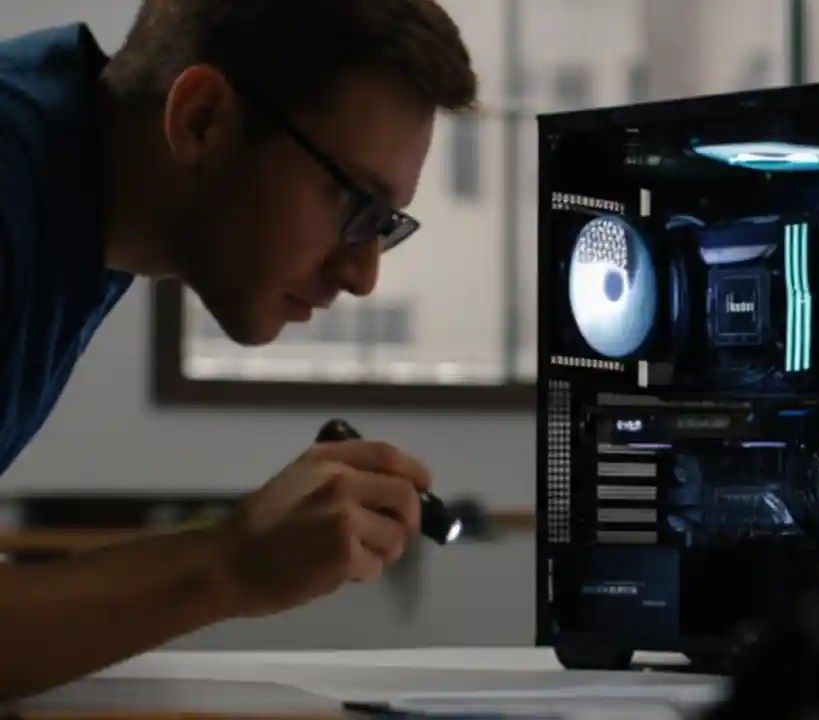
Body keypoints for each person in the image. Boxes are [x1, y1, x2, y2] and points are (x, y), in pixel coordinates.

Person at [0, 0, 477, 701]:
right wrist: (232, 564)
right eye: (354, 207)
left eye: (386, 226)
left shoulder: (74, 177)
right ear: (202, 120)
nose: (363, 275)